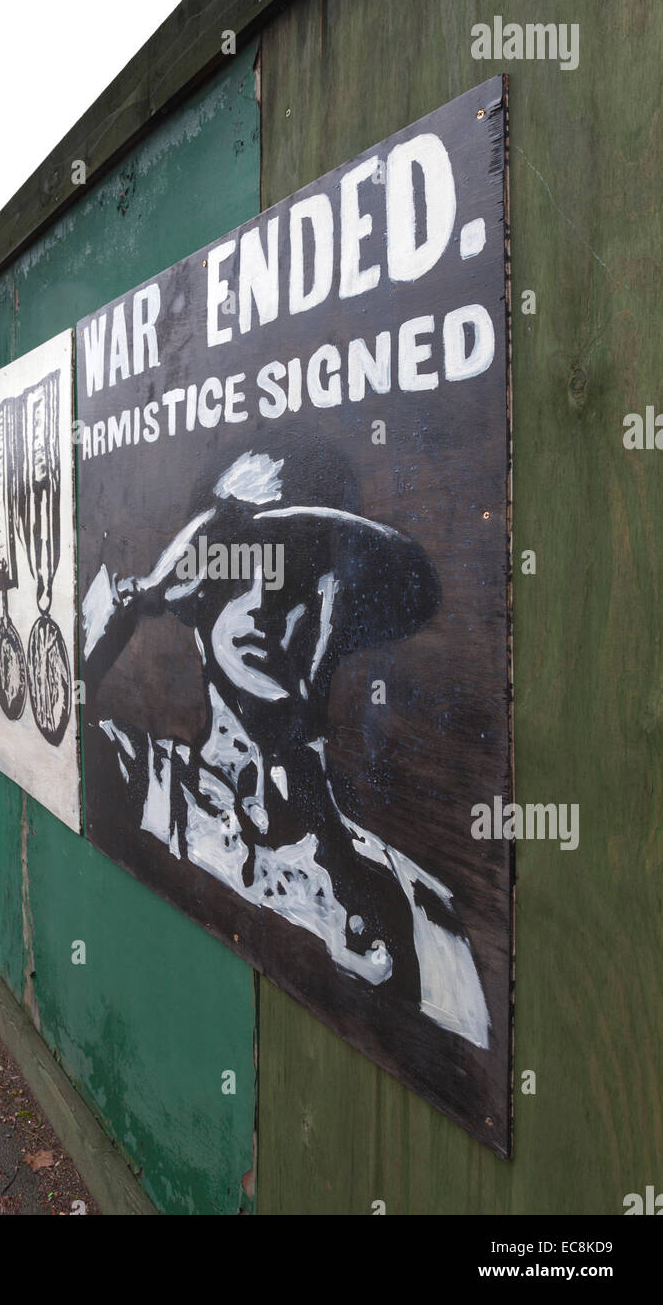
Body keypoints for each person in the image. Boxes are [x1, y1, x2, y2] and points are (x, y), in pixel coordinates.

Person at [81, 446, 489, 1047]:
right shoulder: (136, 779)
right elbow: (53, 738)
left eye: (314, 577)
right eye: (251, 562)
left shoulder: (420, 911)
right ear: (197, 595)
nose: (275, 601)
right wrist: (129, 601)